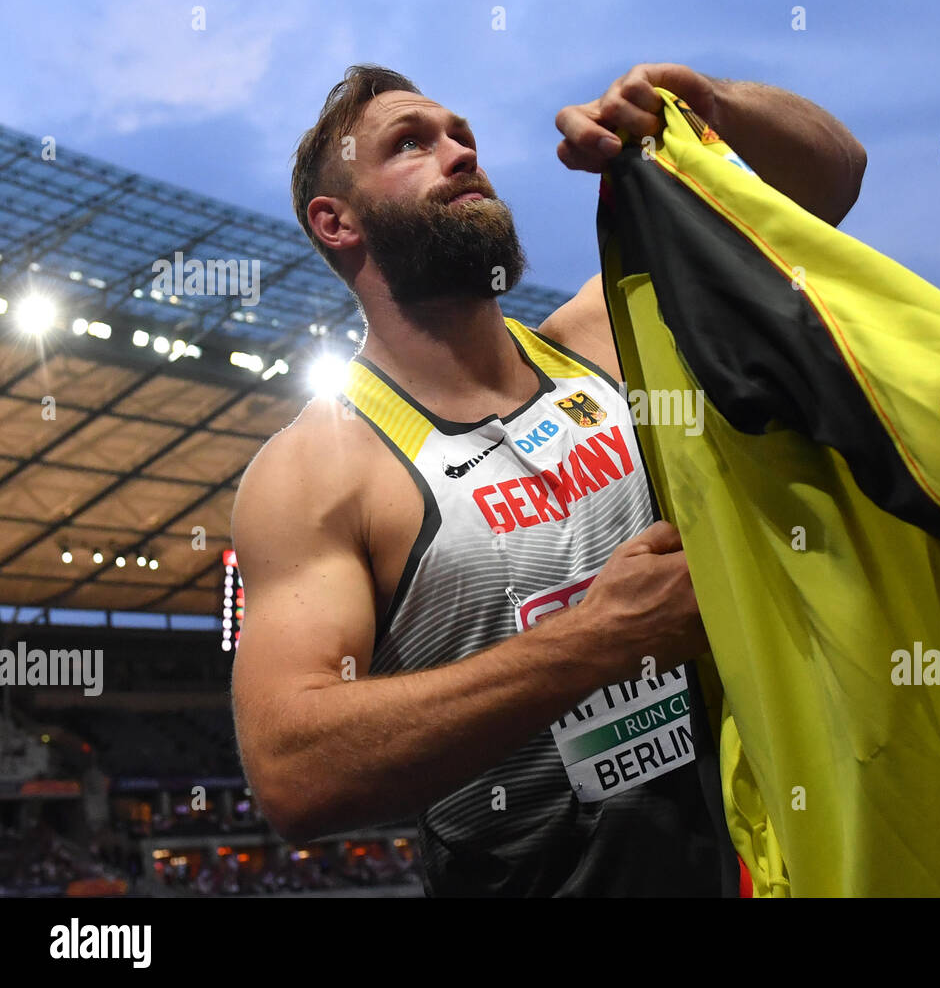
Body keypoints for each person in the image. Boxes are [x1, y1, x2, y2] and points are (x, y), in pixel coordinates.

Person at [230, 62, 866, 896]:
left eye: (463, 135)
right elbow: (291, 771)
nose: (460, 154)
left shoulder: (603, 341)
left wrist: (710, 113)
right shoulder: (319, 467)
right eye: (412, 144)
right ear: (335, 221)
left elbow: (832, 180)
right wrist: (593, 644)